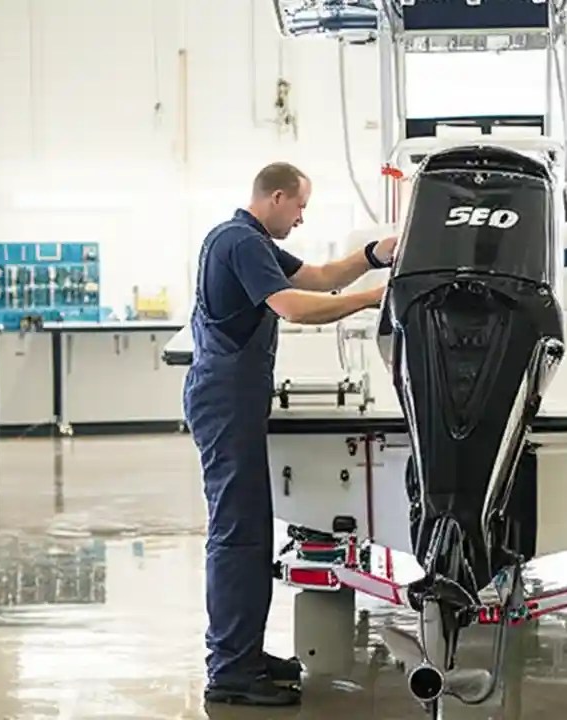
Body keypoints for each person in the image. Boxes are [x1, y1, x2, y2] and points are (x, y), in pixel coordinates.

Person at [183, 162, 396, 707]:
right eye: (299, 206)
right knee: (237, 534)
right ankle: (230, 670)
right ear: (276, 197)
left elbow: (320, 277)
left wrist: (376, 256)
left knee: (251, 529)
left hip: (233, 398)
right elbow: (297, 307)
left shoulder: (244, 238)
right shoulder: (242, 243)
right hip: (225, 399)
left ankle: (244, 655)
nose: (303, 217)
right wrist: (372, 300)